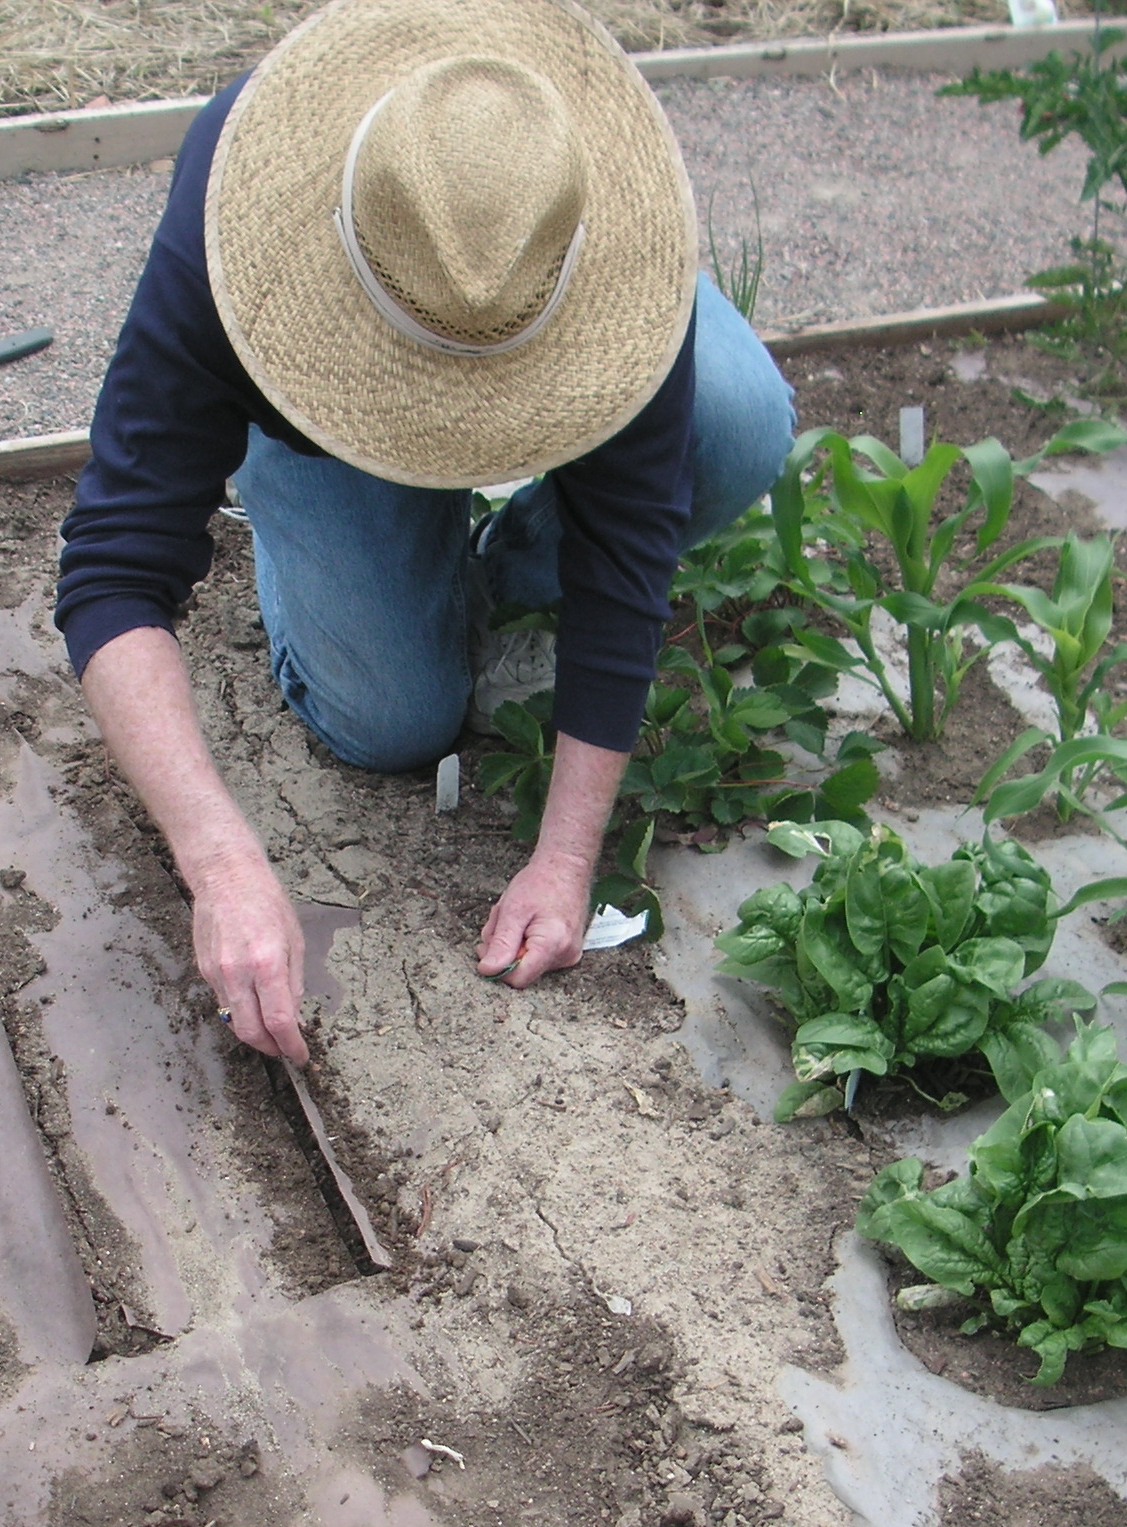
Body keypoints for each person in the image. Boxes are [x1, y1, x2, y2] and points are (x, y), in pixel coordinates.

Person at [53, 0, 794, 1063]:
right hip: (319, 426)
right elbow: (111, 566)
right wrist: (218, 863)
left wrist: (565, 860)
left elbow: (629, 550)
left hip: (552, 302)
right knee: (395, 721)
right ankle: (316, 539)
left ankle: (492, 570)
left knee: (736, 425)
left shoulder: (568, 208)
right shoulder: (235, 222)